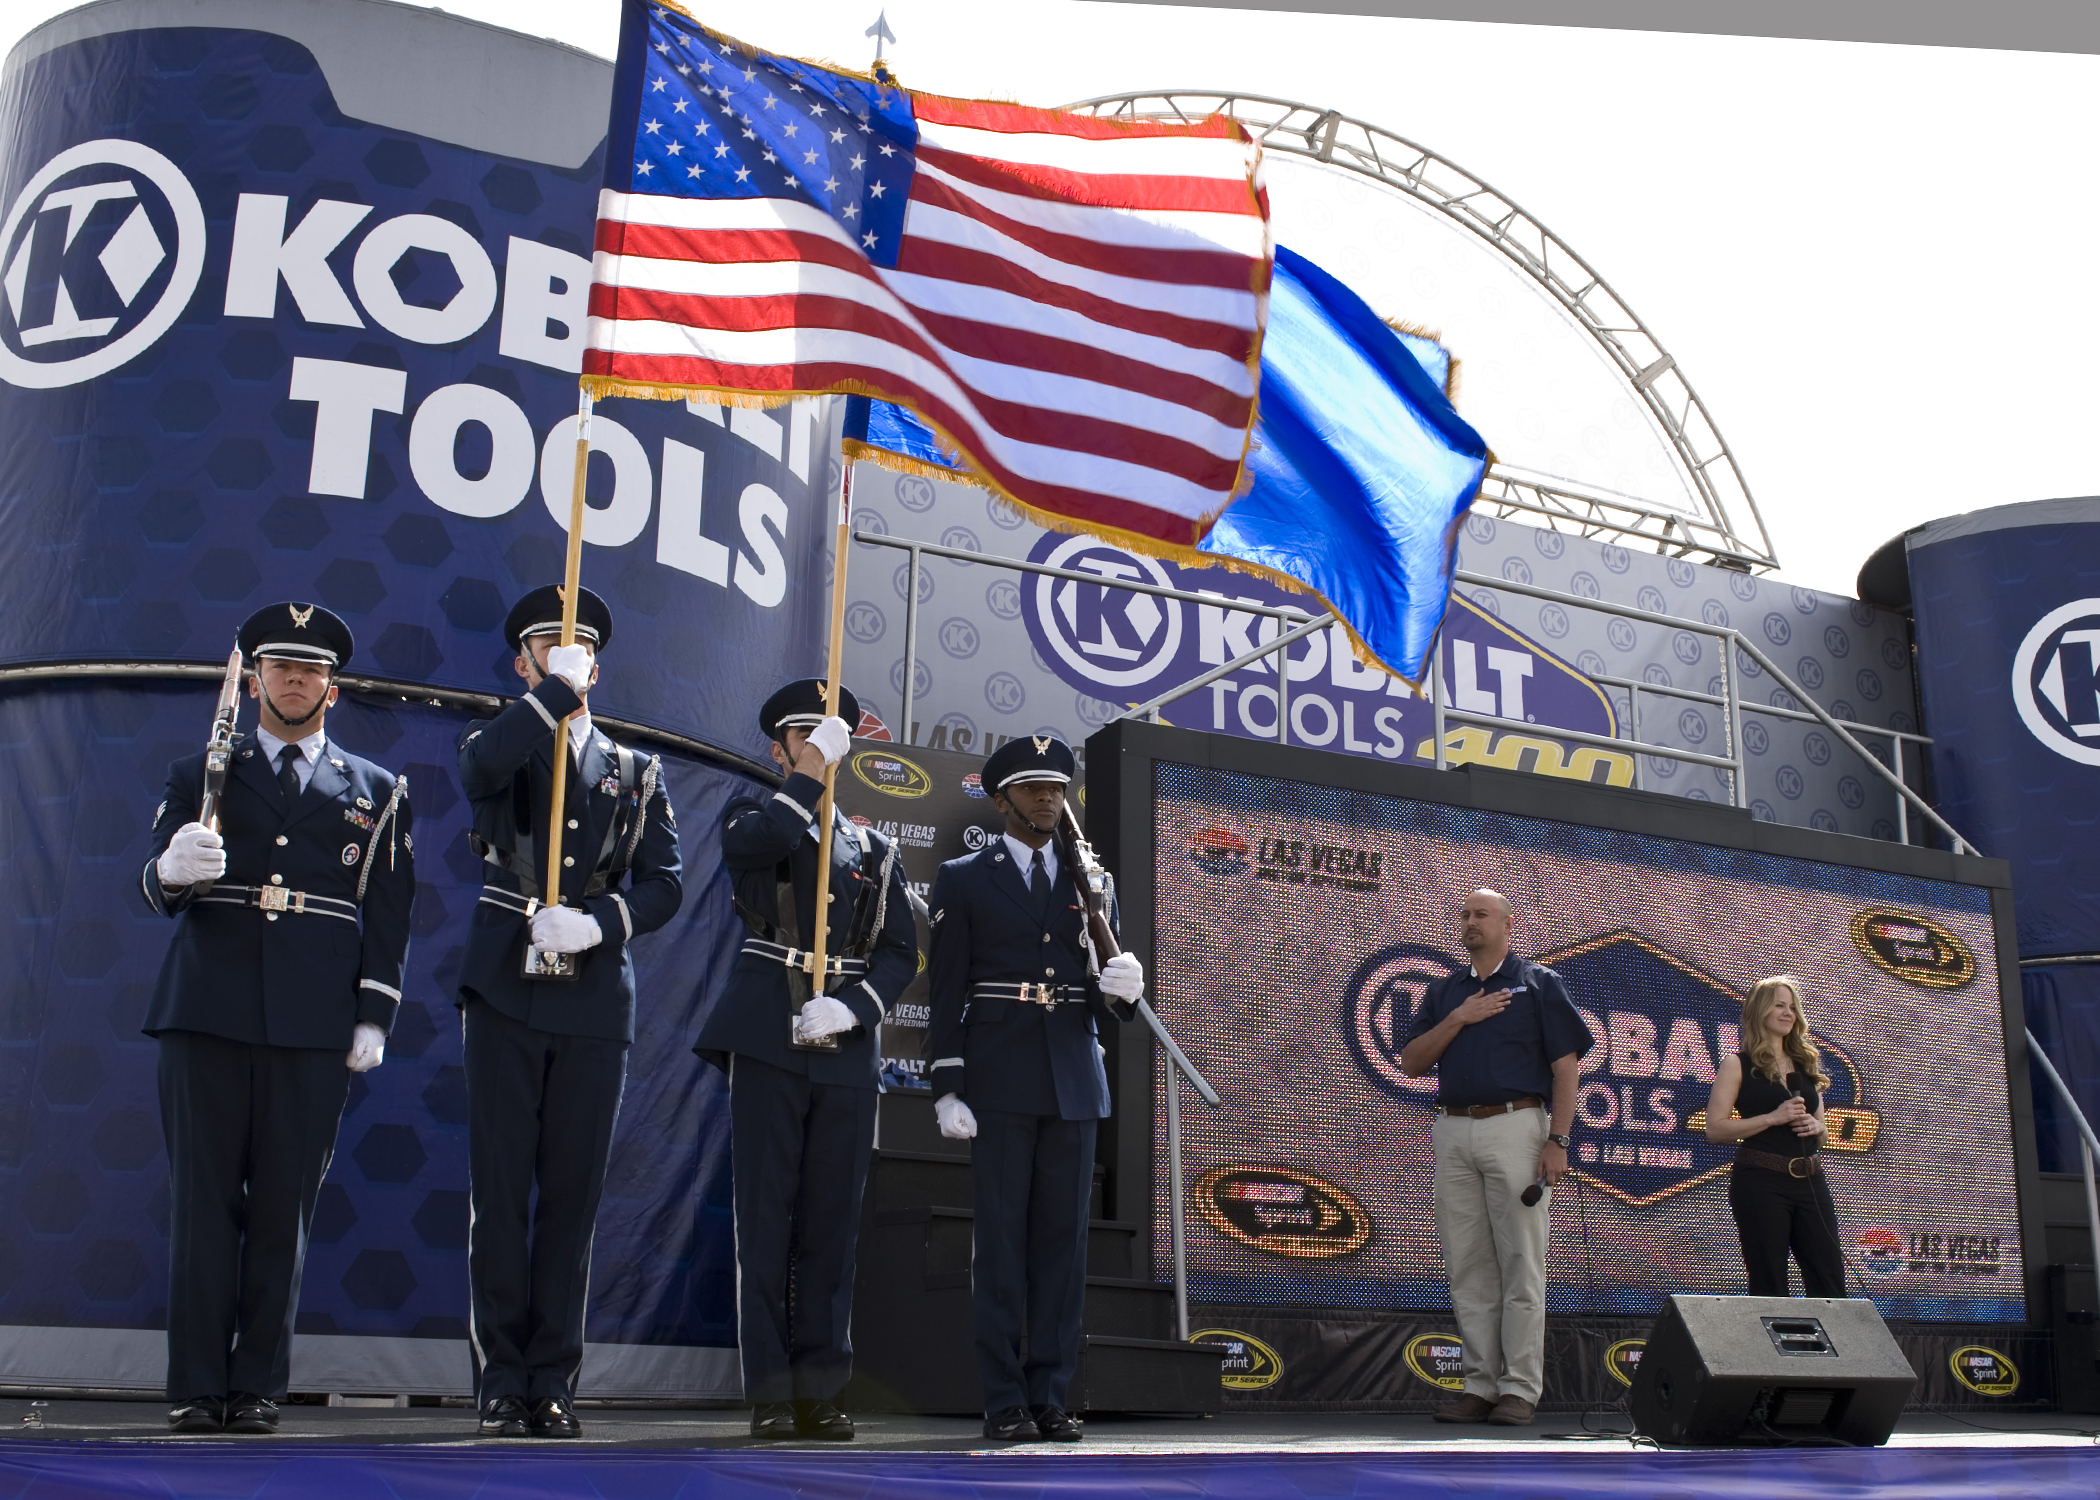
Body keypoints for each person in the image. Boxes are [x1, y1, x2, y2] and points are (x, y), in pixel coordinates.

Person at [141, 602, 413, 1435]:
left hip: (311, 1023)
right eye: (280, 667)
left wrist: (374, 1017)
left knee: (282, 1212)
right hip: (207, 1011)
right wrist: (172, 867)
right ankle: (195, 1385)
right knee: (203, 1207)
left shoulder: (374, 789)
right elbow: (153, 890)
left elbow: (392, 914)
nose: (295, 681)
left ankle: (257, 1385)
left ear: (333, 687)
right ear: (256, 677)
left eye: (311, 670)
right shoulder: (198, 774)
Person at [456, 585, 682, 1439]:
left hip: (591, 990)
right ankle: (499, 1380)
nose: (563, 656)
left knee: (573, 1198)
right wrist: (550, 697)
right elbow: (480, 773)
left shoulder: (633, 770)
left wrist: (600, 922)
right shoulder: (501, 738)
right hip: (504, 979)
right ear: (523, 662)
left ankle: (552, 1379)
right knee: (503, 1191)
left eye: (577, 647)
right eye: (545, 646)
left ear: (598, 663)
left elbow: (667, 881)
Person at [693, 680, 918, 1441]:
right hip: (768, 1034)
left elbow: (899, 954)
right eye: (802, 735)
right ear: (779, 747)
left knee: (830, 1222)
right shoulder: (752, 814)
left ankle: (821, 1386)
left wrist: (855, 1009)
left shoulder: (874, 850)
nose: (817, 746)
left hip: (845, 1047)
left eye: (827, 737)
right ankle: (768, 1389)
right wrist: (806, 780)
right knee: (765, 1217)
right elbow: (756, 852)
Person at [925, 736, 1146, 1443]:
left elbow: (1101, 980)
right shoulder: (964, 877)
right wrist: (947, 1085)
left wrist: (1122, 990)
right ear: (1002, 800)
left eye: (1056, 788)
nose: (1048, 798)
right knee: (1000, 1246)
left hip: (1073, 1074)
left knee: (1062, 1246)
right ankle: (1003, 1398)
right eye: (1031, 788)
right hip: (998, 1072)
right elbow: (946, 988)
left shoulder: (1093, 882)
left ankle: (1050, 1394)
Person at [1399, 888, 1593, 1427]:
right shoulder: (1446, 992)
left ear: (1508, 923)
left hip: (1516, 1125)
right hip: (1454, 1128)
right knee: (1468, 1267)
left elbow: (1566, 1067)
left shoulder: (1537, 983)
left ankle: (1519, 1389)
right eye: (1463, 914)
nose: (1469, 922)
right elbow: (1412, 1062)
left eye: (1480, 914)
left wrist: (1559, 1139)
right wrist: (1461, 1016)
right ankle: (1479, 1385)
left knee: (1520, 1264)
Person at [1703, 975, 1845, 1298]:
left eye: (1792, 1007)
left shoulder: (1804, 1063)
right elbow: (1715, 1128)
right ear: (1760, 1011)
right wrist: (1773, 1117)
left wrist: (1818, 1128)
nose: (1788, 1013)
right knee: (1770, 1282)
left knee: (1829, 1277)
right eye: (1779, 1006)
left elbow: (1820, 1130)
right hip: (1761, 1182)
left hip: (1810, 1180)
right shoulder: (1736, 1064)